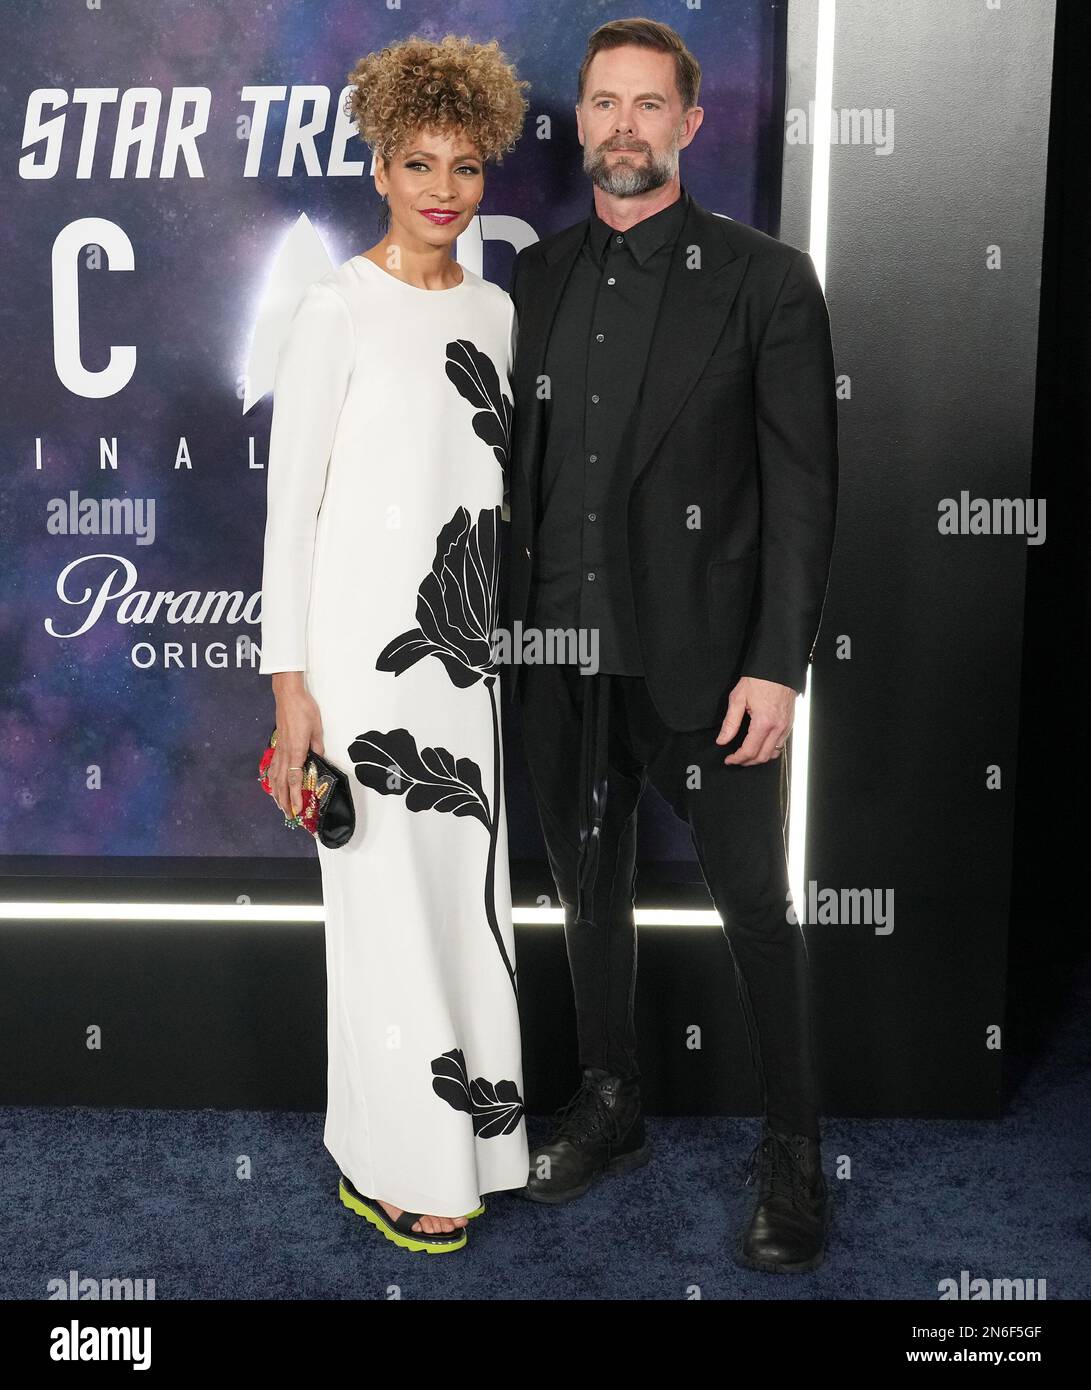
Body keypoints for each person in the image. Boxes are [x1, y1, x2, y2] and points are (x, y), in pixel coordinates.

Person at [505, 18, 839, 1272]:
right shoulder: (532, 279)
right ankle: (610, 1100)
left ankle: (794, 1154)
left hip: (712, 664)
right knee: (589, 889)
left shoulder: (764, 280)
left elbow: (802, 491)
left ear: (689, 126)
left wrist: (778, 661)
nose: (625, 126)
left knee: (753, 904)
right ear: (579, 122)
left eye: (652, 105)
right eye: (605, 104)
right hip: (558, 649)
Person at [259, 33, 530, 1254]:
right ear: (377, 165)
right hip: (362, 659)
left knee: (459, 904)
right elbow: (290, 510)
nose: (440, 188)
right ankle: (395, 1161)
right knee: (376, 913)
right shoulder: (334, 306)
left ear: (485, 175)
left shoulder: (497, 311)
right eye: (416, 161)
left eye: (464, 165)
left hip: (462, 663)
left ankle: (474, 1137)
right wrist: (290, 695)